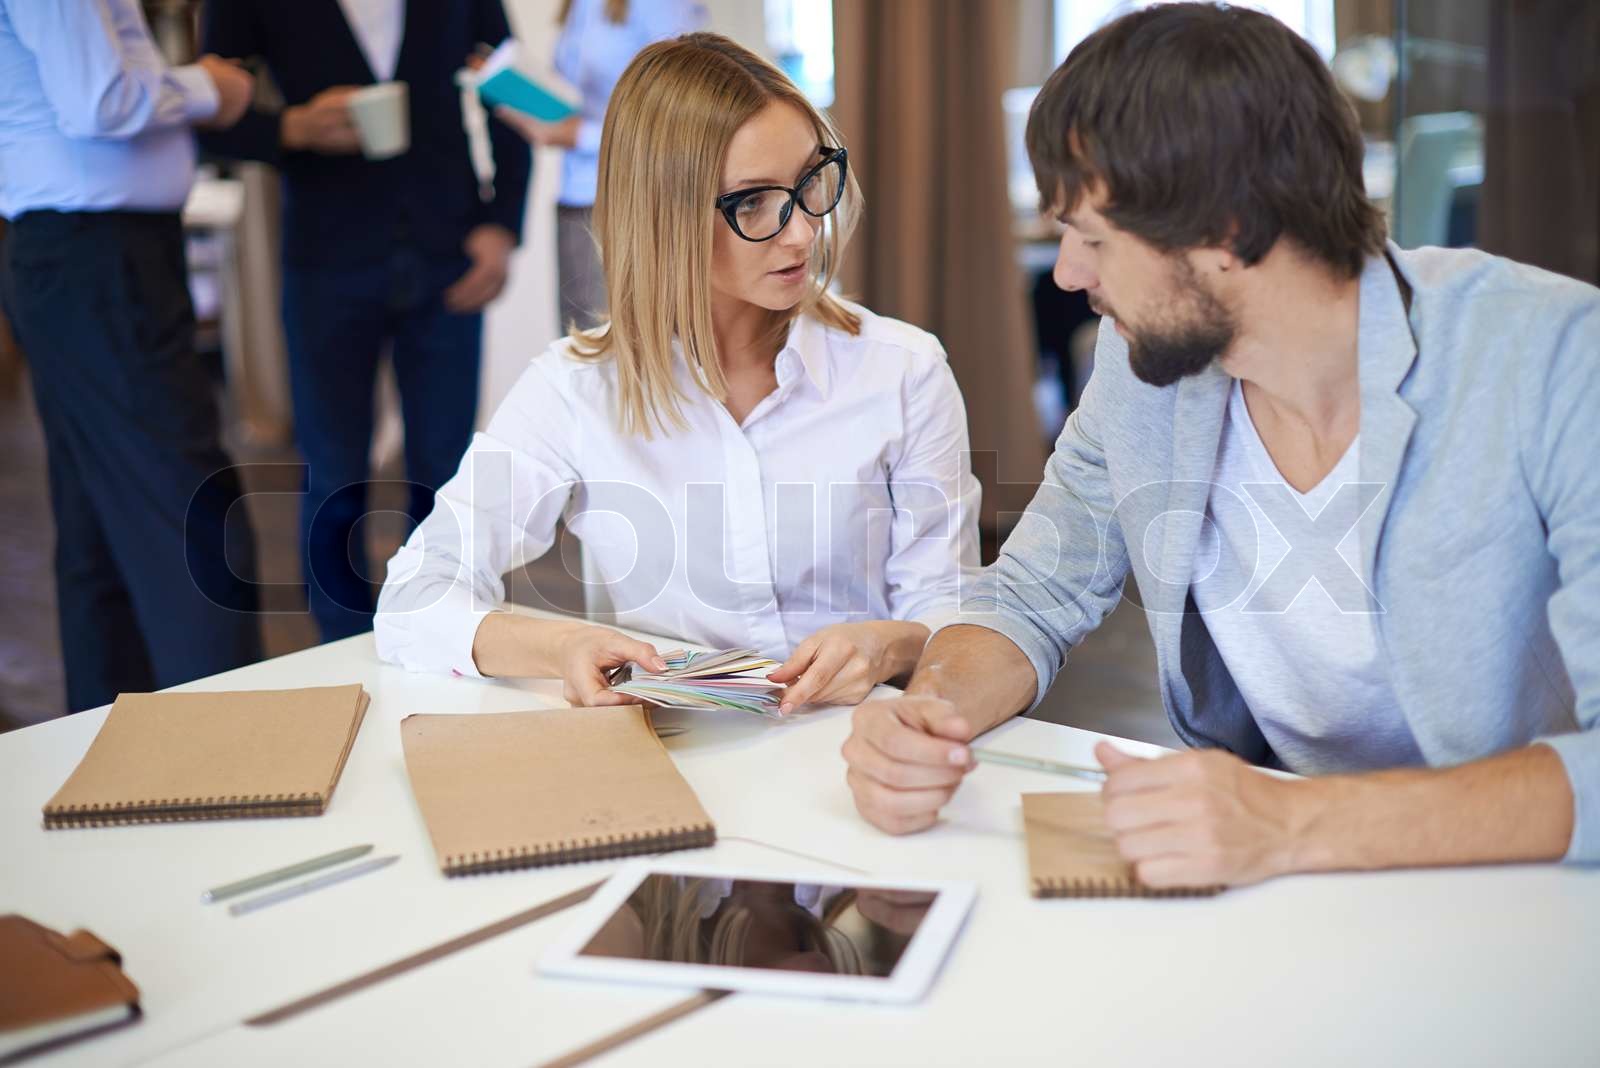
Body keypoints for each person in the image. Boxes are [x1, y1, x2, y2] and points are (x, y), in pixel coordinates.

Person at [841, 3, 1600, 882]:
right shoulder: (1140, 369)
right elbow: (1031, 594)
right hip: (1275, 874)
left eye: (1092, 238)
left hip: (1510, 885)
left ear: (1229, 231)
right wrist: (930, 714)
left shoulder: (1554, 360)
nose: (1068, 274)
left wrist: (1287, 821)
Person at [375, 33, 979, 713]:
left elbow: (952, 613)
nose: (804, 232)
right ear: (663, 216)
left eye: (812, 179)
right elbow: (414, 598)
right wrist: (563, 647)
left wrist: (888, 645)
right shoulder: (576, 389)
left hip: (857, 751)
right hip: (678, 756)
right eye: (751, 201)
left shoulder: (904, 371)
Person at [200, 0, 533, 642]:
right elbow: (207, 121)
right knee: (332, 470)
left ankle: (444, 634)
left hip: (449, 255)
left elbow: (510, 87)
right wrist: (291, 127)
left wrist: (501, 224)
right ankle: (342, 647)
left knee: (446, 469)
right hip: (325, 261)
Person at [0, 0, 263, 713]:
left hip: (84, 258)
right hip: (99, 262)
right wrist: (212, 85)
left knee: (98, 537)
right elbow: (99, 100)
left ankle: (112, 758)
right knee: (195, 522)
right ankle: (242, 760)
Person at [489, 0, 705, 331]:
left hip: (633, 199)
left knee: (629, 349)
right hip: (576, 201)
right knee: (580, 350)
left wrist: (580, 135)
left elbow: (682, 114)